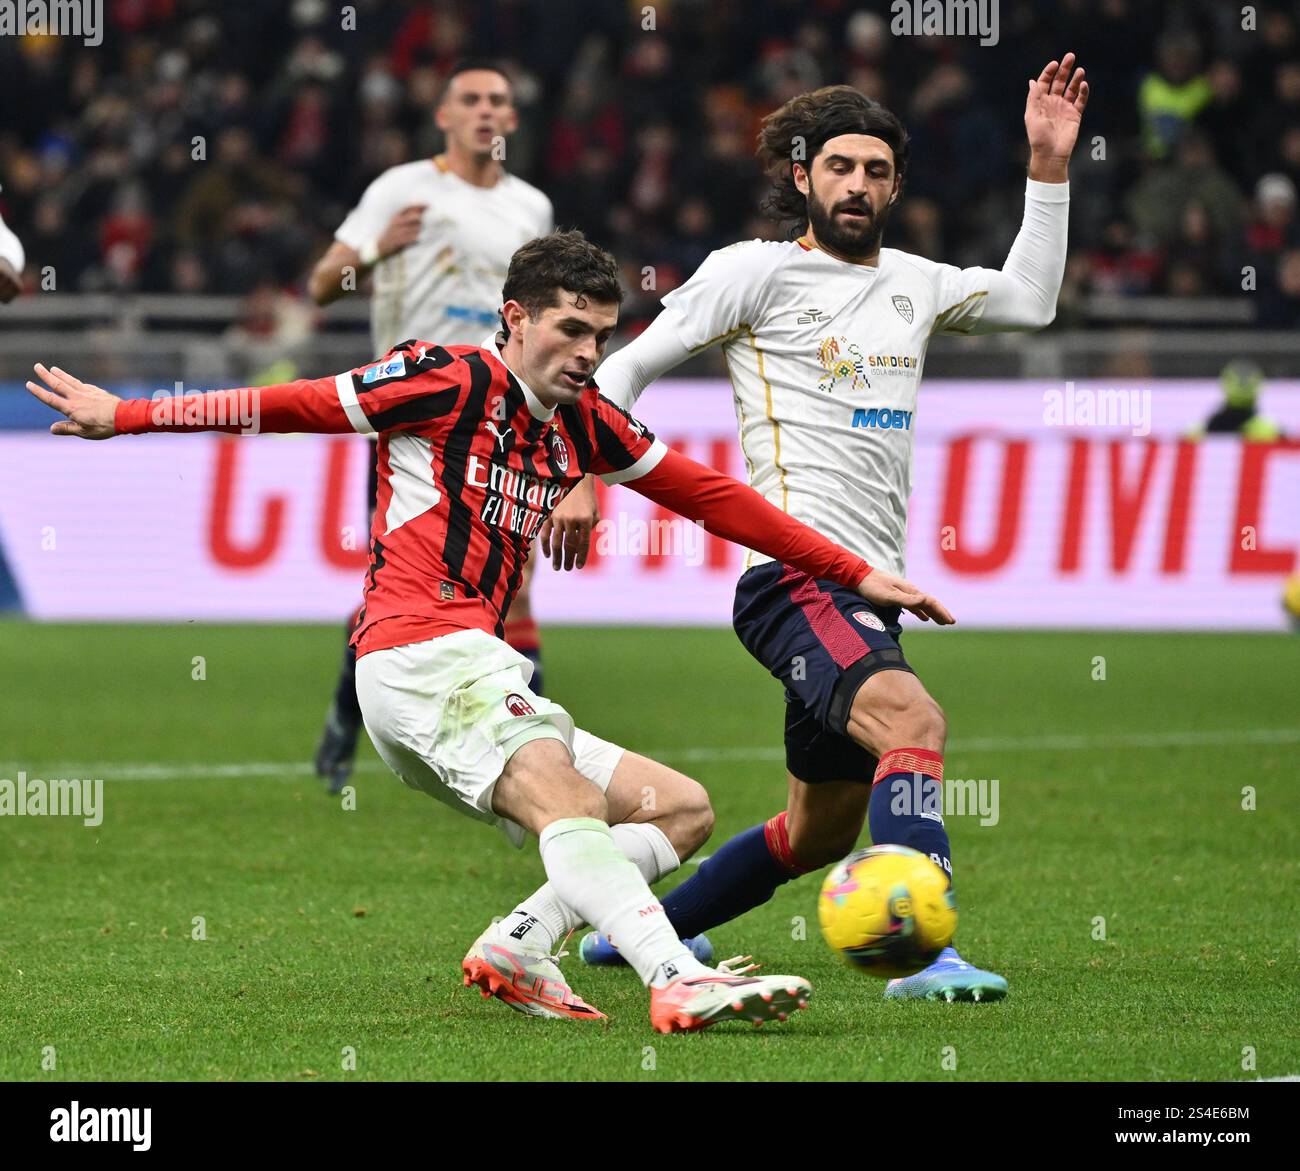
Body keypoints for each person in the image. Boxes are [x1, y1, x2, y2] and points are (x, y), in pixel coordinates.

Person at [26, 229, 954, 1031]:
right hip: (416, 651)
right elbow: (290, 405)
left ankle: (518, 946)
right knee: (570, 804)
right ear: (513, 317)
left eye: (602, 333)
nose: (590, 352)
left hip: (468, 667)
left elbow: (714, 498)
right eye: (570, 329)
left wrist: (857, 570)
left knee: (678, 808)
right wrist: (129, 416)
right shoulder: (441, 378)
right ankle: (676, 977)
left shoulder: (583, 423)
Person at [584, 56, 1089, 1003]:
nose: (858, 185)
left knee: (816, 832)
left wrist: (1048, 166)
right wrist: (583, 469)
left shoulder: (918, 282)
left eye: (878, 171)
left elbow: (1032, 302)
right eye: (841, 167)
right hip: (795, 576)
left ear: (897, 185)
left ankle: (636, 934)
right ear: (803, 174)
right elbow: (623, 370)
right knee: (915, 719)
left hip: (870, 592)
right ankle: (926, 955)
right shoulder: (754, 273)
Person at [307, 59, 597, 792]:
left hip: (505, 410)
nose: (485, 111)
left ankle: (531, 748)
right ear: (443, 116)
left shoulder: (531, 207)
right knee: (401, 584)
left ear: (514, 118)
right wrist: (374, 252)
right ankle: (353, 712)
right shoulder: (401, 190)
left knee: (511, 579)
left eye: (499, 99)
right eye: (470, 99)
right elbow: (320, 285)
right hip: (417, 417)